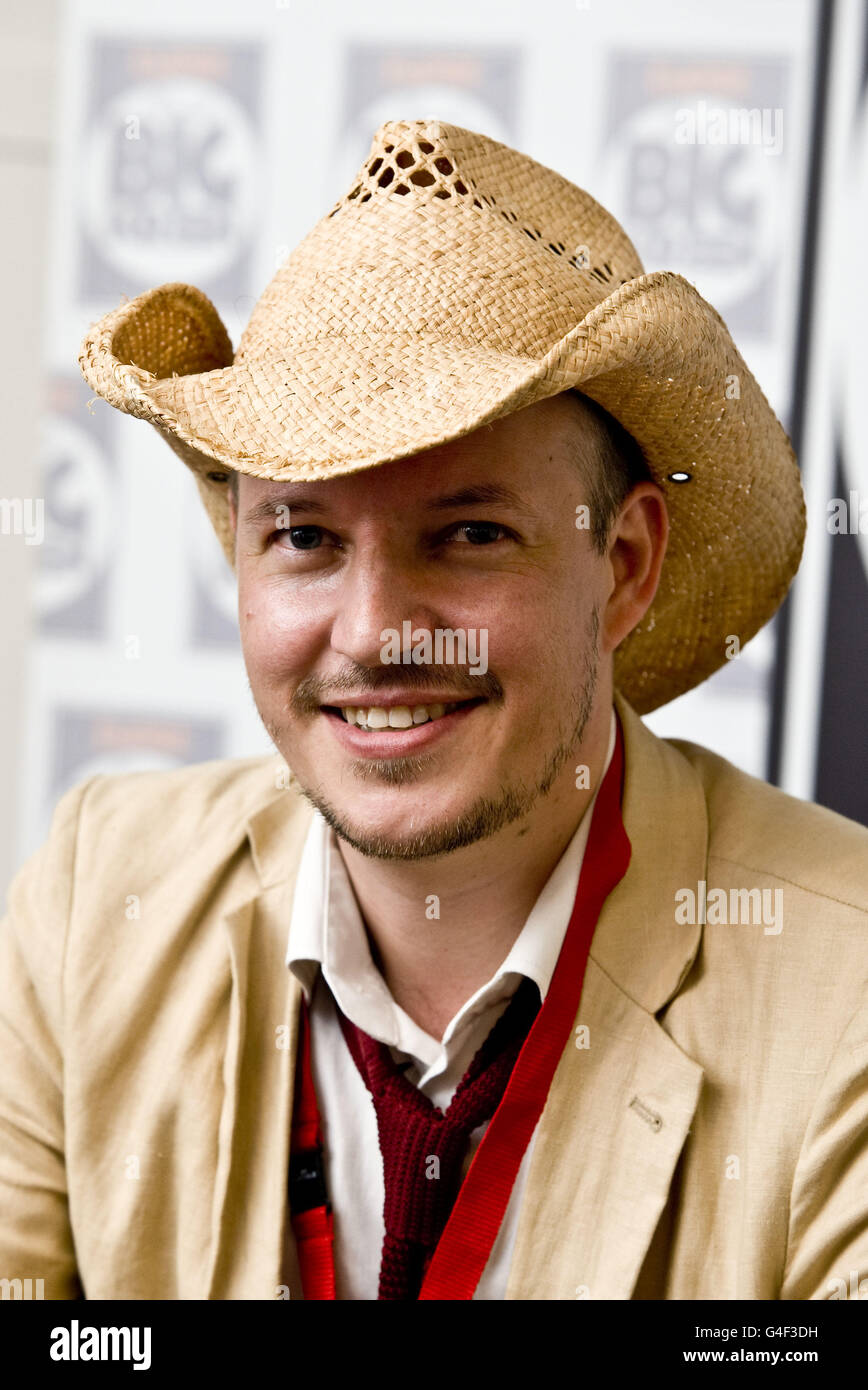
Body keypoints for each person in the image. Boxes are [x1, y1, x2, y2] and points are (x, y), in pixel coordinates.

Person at [2, 118, 866, 1301]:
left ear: (621, 566)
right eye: (304, 536)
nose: (372, 634)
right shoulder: (91, 901)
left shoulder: (847, 989)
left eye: (467, 534)